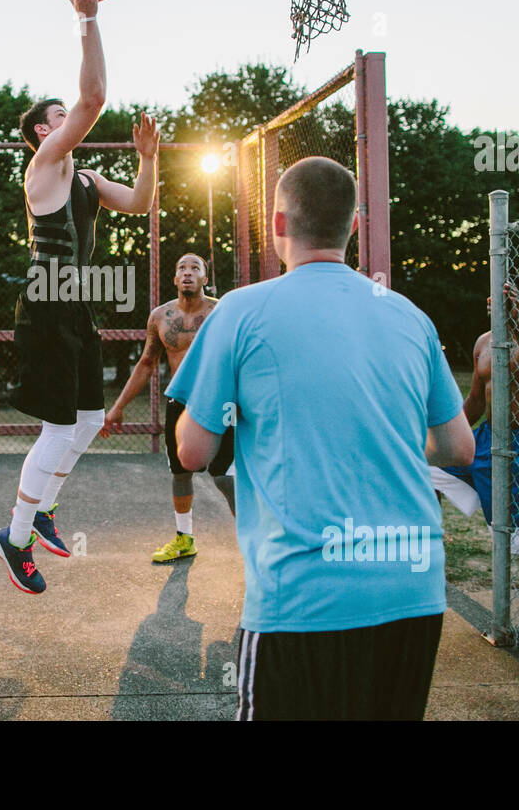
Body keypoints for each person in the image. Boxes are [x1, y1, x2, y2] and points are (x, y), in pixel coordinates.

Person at [167, 156, 475, 720]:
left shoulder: (240, 309)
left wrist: (202, 406)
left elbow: (193, 451)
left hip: (303, 597)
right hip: (414, 588)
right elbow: (458, 449)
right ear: (352, 226)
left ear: (279, 225)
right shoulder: (409, 315)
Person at [0, 0, 159, 595]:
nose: (71, 119)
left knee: (88, 420)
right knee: (60, 426)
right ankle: (15, 536)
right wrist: (87, 16)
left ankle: (45, 511)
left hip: (77, 302)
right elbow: (93, 101)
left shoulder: (83, 179)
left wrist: (150, 159)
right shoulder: (45, 166)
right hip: (47, 300)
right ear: (43, 131)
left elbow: (140, 202)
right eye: (58, 116)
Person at [431, 281, 519, 655]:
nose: (497, 306)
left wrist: (518, 325)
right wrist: (443, 438)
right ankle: (428, 556)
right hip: (490, 439)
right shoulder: (484, 342)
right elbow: (475, 398)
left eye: (507, 300)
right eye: (493, 299)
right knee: (427, 470)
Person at [100, 252, 235, 563]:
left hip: (218, 401)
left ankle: (253, 544)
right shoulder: (160, 317)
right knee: (180, 472)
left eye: (195, 268)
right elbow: (147, 363)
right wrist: (118, 407)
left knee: (224, 477)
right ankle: (184, 538)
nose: (187, 272)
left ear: (205, 278)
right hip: (180, 400)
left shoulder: (221, 313)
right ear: (175, 279)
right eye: (181, 268)